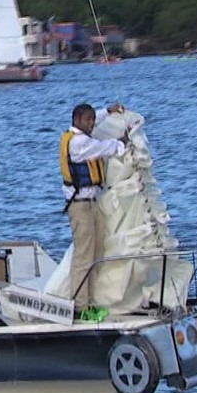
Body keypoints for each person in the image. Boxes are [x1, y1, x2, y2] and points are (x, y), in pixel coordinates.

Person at [59, 103, 129, 321]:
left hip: (90, 203)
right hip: (80, 205)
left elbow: (94, 121)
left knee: (96, 250)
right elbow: (102, 148)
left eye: (92, 119)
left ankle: (89, 301)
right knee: (84, 255)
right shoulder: (79, 143)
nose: (91, 123)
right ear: (76, 121)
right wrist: (121, 143)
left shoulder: (80, 133)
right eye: (87, 120)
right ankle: (79, 308)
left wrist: (107, 112)